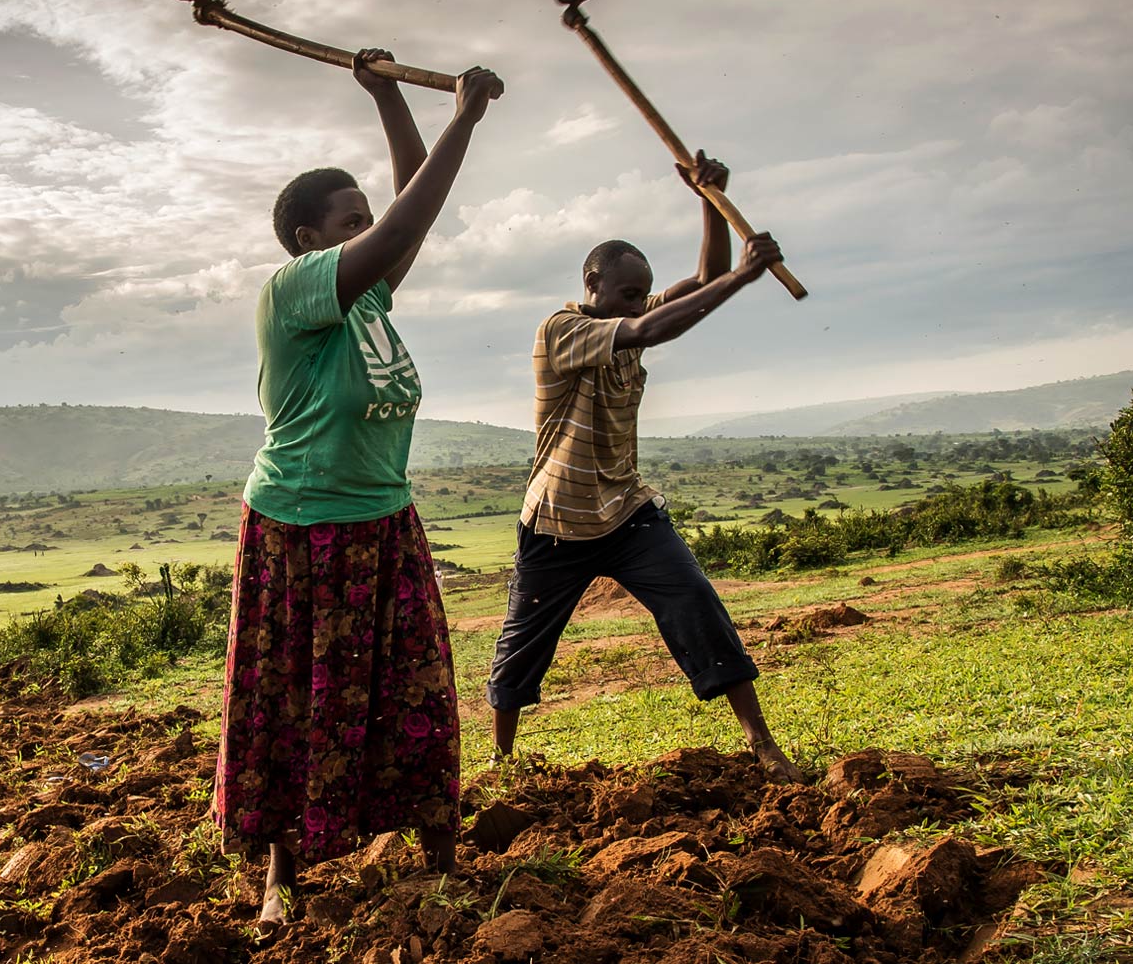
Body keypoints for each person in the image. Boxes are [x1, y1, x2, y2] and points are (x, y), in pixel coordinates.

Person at [213, 50, 505, 925]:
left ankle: (445, 863)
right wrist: (464, 119)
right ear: (309, 239)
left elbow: (409, 210)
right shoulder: (300, 289)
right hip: (304, 531)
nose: (369, 229)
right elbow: (406, 221)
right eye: (349, 222)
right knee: (297, 702)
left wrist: (386, 98)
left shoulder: (368, 296)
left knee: (415, 687)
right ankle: (281, 880)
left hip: (385, 520)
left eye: (366, 219)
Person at [485, 152, 807, 785]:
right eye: (627, 293)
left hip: (628, 511)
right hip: (558, 522)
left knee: (695, 603)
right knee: (523, 648)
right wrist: (744, 279)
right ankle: (502, 763)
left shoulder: (629, 316)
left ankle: (762, 744)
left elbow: (701, 281)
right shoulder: (564, 329)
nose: (636, 301)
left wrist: (708, 199)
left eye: (639, 293)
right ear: (592, 283)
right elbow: (655, 326)